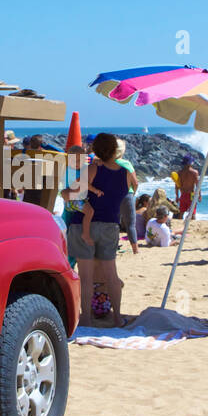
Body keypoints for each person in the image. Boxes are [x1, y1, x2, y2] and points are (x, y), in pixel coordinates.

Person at [71, 132, 129, 325]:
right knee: (111, 274)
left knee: (86, 277)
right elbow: (132, 190)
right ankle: (118, 317)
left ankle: (86, 318)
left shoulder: (92, 170)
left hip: (84, 223)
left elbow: (75, 192)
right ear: (115, 151)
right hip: (110, 224)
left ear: (95, 150)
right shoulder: (125, 173)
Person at [114, 139, 140, 255]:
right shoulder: (126, 164)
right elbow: (135, 182)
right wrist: (133, 193)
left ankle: (114, 247)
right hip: (126, 194)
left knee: (114, 223)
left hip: (112, 195)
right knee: (130, 224)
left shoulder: (108, 163)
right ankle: (135, 249)